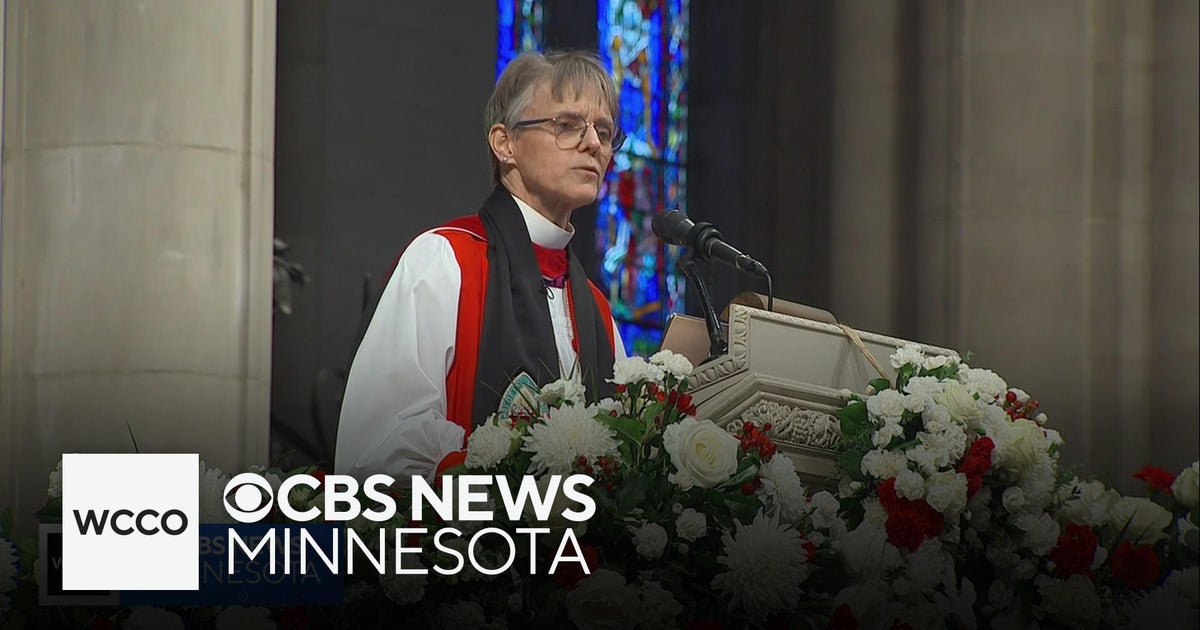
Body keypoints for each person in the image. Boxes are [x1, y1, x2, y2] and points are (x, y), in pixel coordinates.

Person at [335, 50, 628, 481]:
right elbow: (376, 443)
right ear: (504, 143)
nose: (593, 144)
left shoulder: (597, 311)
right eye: (567, 125)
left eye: (604, 131)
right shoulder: (444, 260)